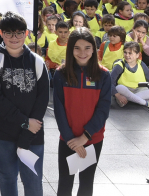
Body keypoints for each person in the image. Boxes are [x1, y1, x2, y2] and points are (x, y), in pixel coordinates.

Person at [0, 11, 50, 196]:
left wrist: (28, 130)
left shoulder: (38, 62)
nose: (14, 37)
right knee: (7, 177)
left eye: (18, 33)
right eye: (8, 33)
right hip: (3, 133)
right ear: (1, 34)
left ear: (26, 33)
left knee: (32, 180)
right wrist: (24, 121)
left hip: (32, 133)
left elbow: (42, 99)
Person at [52, 27, 112, 196]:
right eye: (77, 48)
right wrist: (71, 139)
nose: (82, 52)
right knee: (65, 182)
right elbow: (59, 109)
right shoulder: (61, 74)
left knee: (86, 183)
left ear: (94, 49)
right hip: (68, 139)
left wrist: (85, 137)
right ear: (70, 49)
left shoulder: (104, 75)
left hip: (92, 139)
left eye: (87, 48)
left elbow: (103, 110)